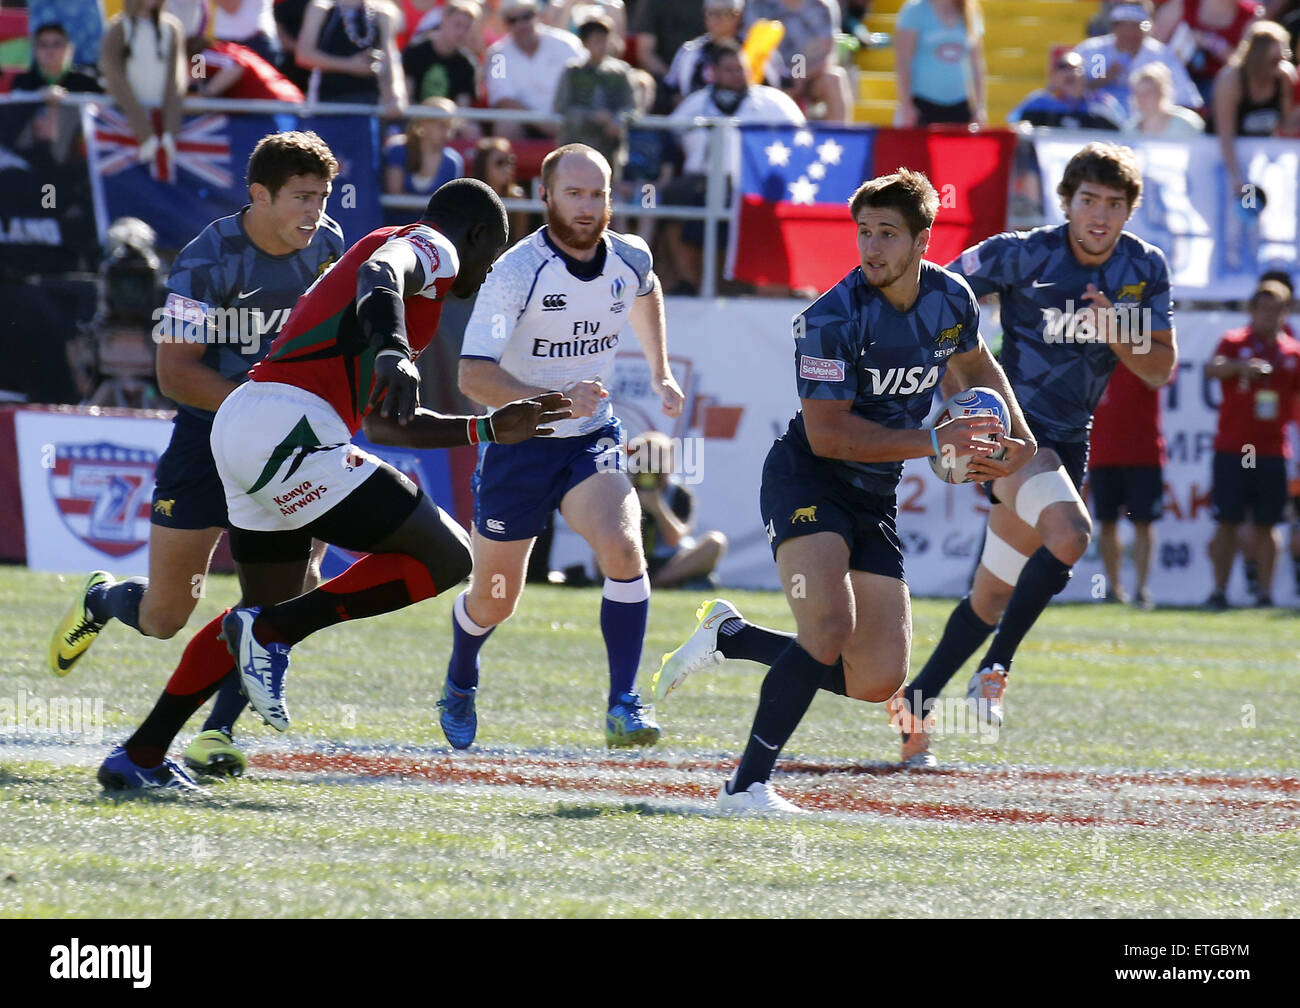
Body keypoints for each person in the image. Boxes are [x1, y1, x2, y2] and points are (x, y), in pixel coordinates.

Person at [95, 178, 570, 790]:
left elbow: (382, 421)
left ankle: (138, 756)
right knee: (449, 556)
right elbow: (382, 272)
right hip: (288, 426)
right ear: (478, 235)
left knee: (261, 604)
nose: (487, 269)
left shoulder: (399, 281)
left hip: (248, 424)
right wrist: (394, 348)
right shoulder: (435, 249)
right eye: (495, 250)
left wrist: (485, 429)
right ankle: (269, 634)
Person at [649, 168, 1035, 812]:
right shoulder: (829, 317)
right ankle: (745, 787)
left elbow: (976, 368)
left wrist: (1019, 441)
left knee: (876, 678)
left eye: (888, 233)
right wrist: (939, 441)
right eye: (864, 232)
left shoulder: (952, 299)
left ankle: (732, 638)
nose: (871, 247)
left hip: (874, 493)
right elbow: (828, 435)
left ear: (922, 241)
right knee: (829, 625)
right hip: (809, 478)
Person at [50, 132, 345, 777]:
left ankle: (217, 732)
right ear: (259, 196)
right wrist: (257, 411)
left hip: (287, 450)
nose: (315, 213)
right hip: (208, 444)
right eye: (301, 198)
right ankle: (104, 600)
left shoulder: (328, 249)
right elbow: (176, 373)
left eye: (321, 198)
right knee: (165, 616)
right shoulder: (205, 260)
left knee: (287, 590)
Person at [886, 142, 1177, 768]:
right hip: (1012, 433)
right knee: (1072, 535)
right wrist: (953, 383)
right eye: (1089, 201)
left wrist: (1118, 330)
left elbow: (1161, 366)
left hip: (1068, 442)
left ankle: (915, 704)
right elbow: (938, 289)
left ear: (1130, 212)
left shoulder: (1143, 265)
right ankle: (995, 670)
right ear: (1067, 202)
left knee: (991, 599)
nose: (1100, 215)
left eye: (1114, 204)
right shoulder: (1022, 252)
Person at [438, 143, 684, 751]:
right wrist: (551, 400)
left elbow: (647, 292)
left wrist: (660, 371)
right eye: (573, 193)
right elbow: (472, 377)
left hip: (589, 437)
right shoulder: (515, 272)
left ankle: (624, 702)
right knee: (496, 602)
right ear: (544, 196)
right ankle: (461, 674)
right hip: (518, 446)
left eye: (597, 193)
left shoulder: (630, 256)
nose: (587, 206)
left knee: (626, 549)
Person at [662, 38, 804, 295]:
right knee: (671, 199)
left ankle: (766, 285)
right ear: (713, 72)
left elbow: (801, 140)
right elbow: (668, 137)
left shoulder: (775, 103)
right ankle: (687, 281)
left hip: (754, 185)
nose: (738, 75)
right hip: (700, 182)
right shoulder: (695, 104)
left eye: (742, 69)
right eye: (730, 70)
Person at [1203, 278, 1300, 609]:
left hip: (1272, 449)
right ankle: (1219, 591)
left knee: (1268, 523)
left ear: (1287, 311)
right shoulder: (1234, 341)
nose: (1270, 315)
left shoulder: (1292, 352)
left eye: (1277, 308)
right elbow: (1211, 369)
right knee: (1227, 520)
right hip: (1234, 448)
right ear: (1252, 309)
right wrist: (1241, 367)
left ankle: (1265, 592)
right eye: (1263, 307)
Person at [1088, 361, 1167, 609]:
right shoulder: (1094, 356)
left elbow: (1157, 380)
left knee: (1143, 522)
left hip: (1143, 455)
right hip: (1103, 454)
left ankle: (1142, 589)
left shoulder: (1147, 353)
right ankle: (1114, 588)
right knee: (1107, 523)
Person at [627, 430, 728, 590]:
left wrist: (657, 507)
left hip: (671, 561)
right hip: (633, 557)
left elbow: (674, 538)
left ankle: (656, 583)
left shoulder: (680, 493)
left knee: (715, 542)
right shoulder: (625, 489)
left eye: (658, 458)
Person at [98, 0, 187, 172]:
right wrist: (143, 131)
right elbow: (115, 80)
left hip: (162, 126)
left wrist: (170, 131)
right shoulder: (118, 29)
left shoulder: (171, 28)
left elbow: (175, 81)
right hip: (125, 125)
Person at [1212, 20, 1296, 199]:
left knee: (1252, 213)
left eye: (1284, 58)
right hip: (1226, 158)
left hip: (1256, 158)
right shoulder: (1231, 80)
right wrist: (1236, 177)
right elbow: (1225, 134)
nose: (1280, 65)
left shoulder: (1283, 77)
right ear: (1258, 56)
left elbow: (1286, 124)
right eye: (1274, 60)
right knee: (1228, 218)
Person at [1075, 0, 1203, 117]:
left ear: (1147, 29)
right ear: (1114, 27)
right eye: (1124, 26)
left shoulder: (1162, 56)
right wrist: (1100, 81)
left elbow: (1187, 101)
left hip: (1148, 128)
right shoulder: (1093, 50)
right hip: (1094, 123)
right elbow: (1064, 89)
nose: (1130, 33)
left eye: (1136, 26)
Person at [552, 14, 639, 184]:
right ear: (585, 43)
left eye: (605, 40)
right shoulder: (572, 71)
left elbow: (632, 108)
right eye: (597, 40)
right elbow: (561, 106)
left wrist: (617, 121)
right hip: (576, 144)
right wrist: (591, 116)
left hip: (609, 147)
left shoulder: (621, 72)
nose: (603, 45)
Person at [484, 0, 585, 140]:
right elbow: (502, 98)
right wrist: (541, 122)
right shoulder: (497, 56)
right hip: (525, 124)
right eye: (513, 20)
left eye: (526, 16)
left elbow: (585, 81)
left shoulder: (566, 44)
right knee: (506, 124)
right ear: (505, 25)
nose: (521, 24)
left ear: (538, 15)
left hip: (568, 120)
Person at [741, 0, 854, 123]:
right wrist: (781, 78)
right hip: (766, 76)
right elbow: (751, 46)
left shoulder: (823, 6)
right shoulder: (758, 4)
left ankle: (838, 137)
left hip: (810, 77)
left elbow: (828, 53)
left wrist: (799, 77)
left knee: (834, 78)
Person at [296, 0, 407, 118]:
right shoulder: (323, 7)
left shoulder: (383, 12)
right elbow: (304, 55)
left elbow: (390, 57)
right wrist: (350, 65)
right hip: (327, 103)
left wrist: (397, 96)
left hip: (369, 104)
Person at [662, 0, 783, 106]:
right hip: (700, 123)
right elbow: (672, 91)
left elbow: (781, 88)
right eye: (712, 13)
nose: (717, 19)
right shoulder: (689, 52)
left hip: (750, 121)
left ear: (738, 16)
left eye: (725, 13)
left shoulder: (759, 48)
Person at [894, 0, 986, 127]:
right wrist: (906, 105)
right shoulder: (915, 10)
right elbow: (903, 61)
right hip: (923, 102)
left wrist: (979, 107)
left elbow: (977, 64)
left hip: (960, 104)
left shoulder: (970, 10)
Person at [1154, 0, 1263, 105]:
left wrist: (1214, 44)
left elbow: (1248, 66)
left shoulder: (1251, 15)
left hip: (1219, 85)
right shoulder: (1183, 4)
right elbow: (1154, 44)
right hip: (1176, 79)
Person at [383, 96, 466, 220]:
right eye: (442, 125)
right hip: (395, 230)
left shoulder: (453, 161)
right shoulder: (398, 150)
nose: (447, 133)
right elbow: (394, 193)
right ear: (423, 123)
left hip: (433, 234)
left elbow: (450, 204)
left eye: (450, 127)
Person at [1008, 49, 1126, 130]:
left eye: (1076, 68)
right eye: (1063, 67)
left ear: (1085, 76)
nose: (1070, 72)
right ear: (1054, 76)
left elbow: (1123, 129)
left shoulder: (1103, 103)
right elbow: (1013, 123)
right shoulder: (1038, 102)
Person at [402, 0, 480, 108]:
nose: (461, 32)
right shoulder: (415, 51)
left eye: (467, 28)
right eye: (457, 25)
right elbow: (406, 99)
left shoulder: (467, 64)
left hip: (448, 123)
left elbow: (462, 110)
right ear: (444, 19)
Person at [10, 21, 103, 94]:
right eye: (43, 45)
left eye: (57, 44)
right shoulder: (22, 82)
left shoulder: (88, 81)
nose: (50, 50)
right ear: (34, 50)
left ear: (70, 49)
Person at [1125, 62, 1207, 137]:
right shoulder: (1130, 129)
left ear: (1161, 93)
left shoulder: (1186, 124)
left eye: (1148, 93)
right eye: (1138, 94)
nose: (1141, 99)